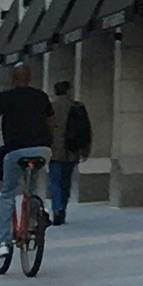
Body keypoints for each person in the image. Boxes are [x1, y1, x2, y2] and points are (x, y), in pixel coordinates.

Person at [0, 68, 54, 242]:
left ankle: (3, 242)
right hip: (43, 149)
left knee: (8, 193)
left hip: (16, 151)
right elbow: (51, 123)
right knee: (38, 181)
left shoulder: (4, 98)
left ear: (12, 80)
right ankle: (39, 213)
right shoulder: (41, 96)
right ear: (30, 78)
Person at [49, 89, 92, 229]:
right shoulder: (77, 107)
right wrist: (85, 150)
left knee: (54, 181)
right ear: (68, 91)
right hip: (72, 150)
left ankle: (56, 209)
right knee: (66, 182)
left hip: (54, 151)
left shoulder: (50, 107)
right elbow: (86, 130)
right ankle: (63, 208)